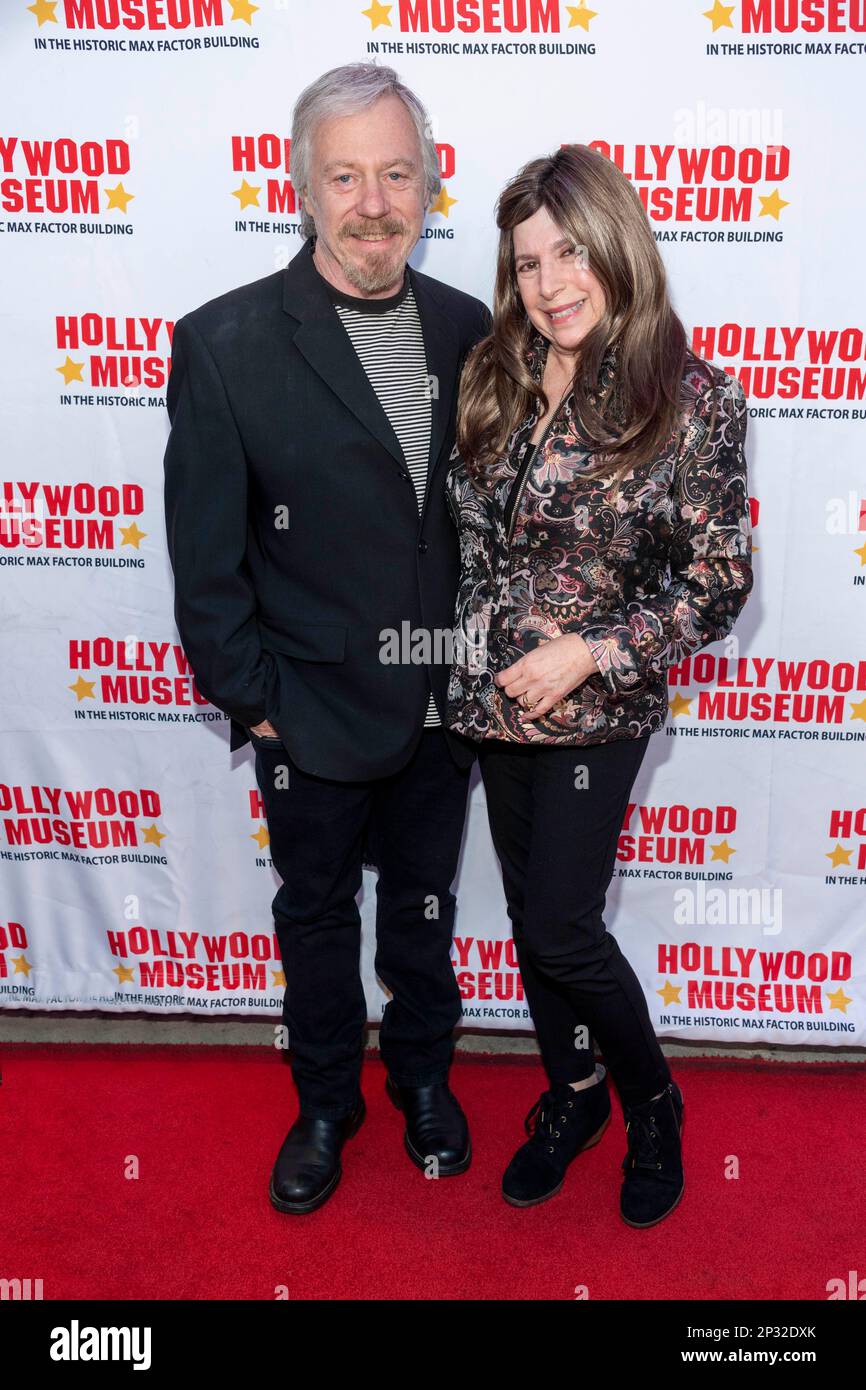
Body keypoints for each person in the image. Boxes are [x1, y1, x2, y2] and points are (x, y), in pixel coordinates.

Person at [163, 63, 491, 1214]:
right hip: (303, 707)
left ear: (427, 183)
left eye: (395, 173)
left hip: (436, 710)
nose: (372, 201)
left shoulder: (468, 329)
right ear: (300, 185)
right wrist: (260, 700)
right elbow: (206, 564)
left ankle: (420, 1079)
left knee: (422, 909)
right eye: (344, 175)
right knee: (312, 918)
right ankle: (323, 1102)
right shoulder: (225, 344)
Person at [446, 144, 753, 1227]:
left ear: (614, 244)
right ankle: (571, 1095)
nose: (550, 282)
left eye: (569, 251)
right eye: (527, 262)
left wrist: (588, 651)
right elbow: (470, 542)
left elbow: (717, 581)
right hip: (491, 708)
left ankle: (651, 1102)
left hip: (595, 713)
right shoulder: (496, 370)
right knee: (535, 927)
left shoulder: (689, 396)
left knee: (565, 925)